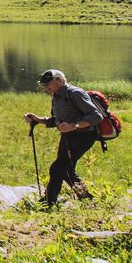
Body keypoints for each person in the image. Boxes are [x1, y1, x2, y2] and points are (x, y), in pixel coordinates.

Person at [23, 69, 105, 206]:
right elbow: (56, 121)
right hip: (68, 137)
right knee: (66, 170)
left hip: (84, 136)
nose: (45, 87)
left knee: (57, 168)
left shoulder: (75, 93)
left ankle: (49, 202)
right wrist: (38, 120)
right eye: (43, 85)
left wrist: (74, 125)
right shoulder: (56, 96)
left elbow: (96, 116)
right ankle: (87, 200)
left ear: (60, 81)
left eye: (48, 83)